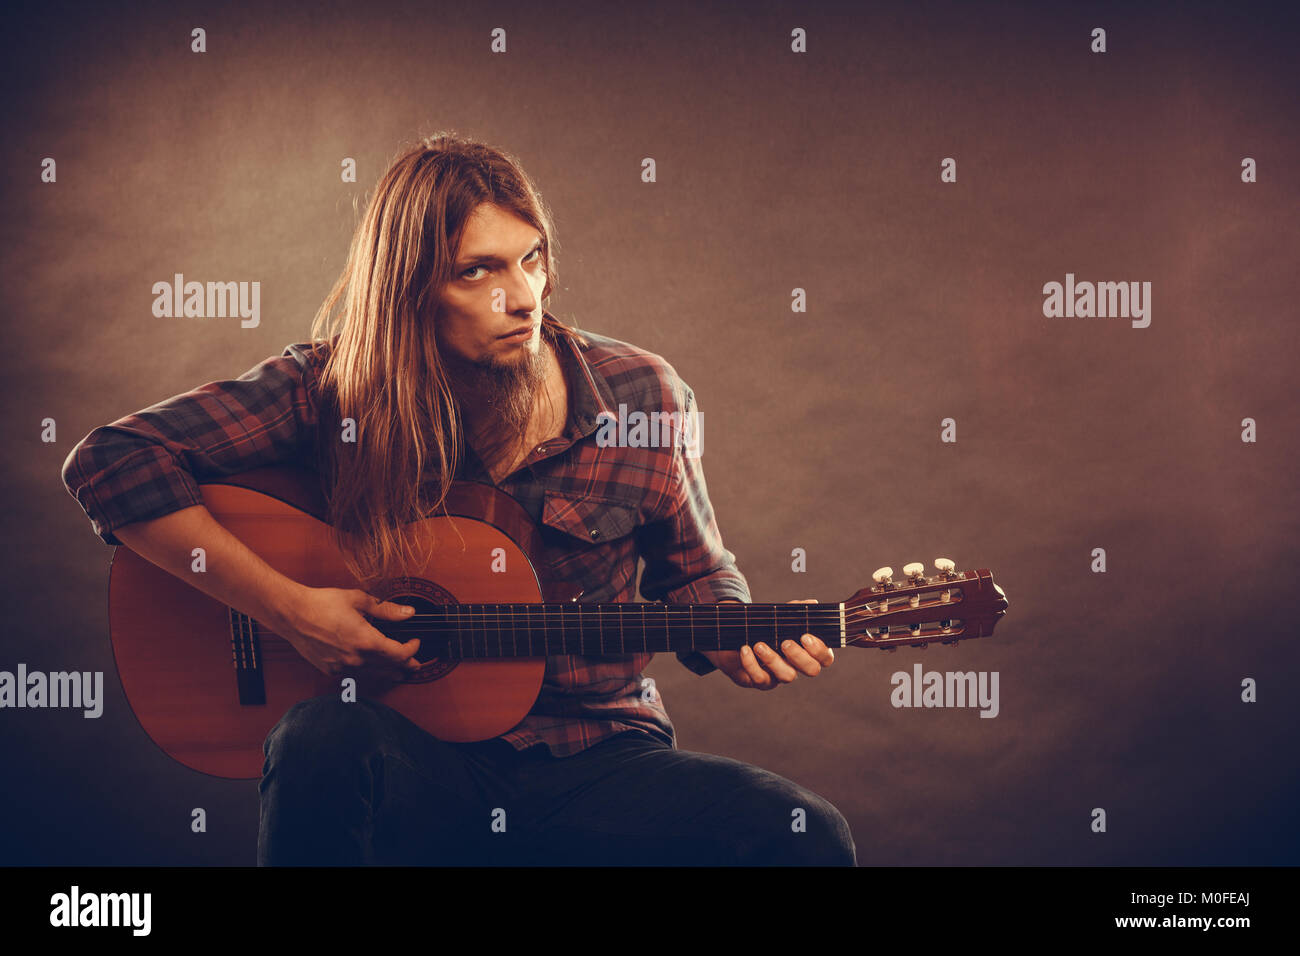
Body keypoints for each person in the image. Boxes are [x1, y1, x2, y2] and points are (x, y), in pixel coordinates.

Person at [61, 133, 857, 866]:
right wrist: (290, 610)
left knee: (800, 830)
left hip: (597, 755)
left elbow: (698, 573)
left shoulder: (643, 395)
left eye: (532, 259)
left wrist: (730, 631)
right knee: (318, 737)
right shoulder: (331, 391)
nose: (524, 297)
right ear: (410, 290)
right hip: (414, 756)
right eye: (478, 270)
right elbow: (114, 461)